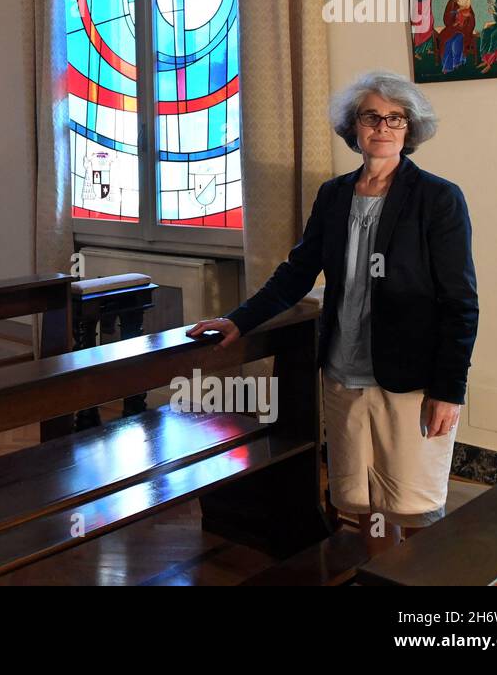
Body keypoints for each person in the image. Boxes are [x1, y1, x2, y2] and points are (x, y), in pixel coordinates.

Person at [185, 71, 478, 556]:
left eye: (394, 118)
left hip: (409, 378)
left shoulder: (438, 198)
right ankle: (374, 570)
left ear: (410, 128)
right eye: (370, 117)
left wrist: (450, 390)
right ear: (354, 127)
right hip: (344, 371)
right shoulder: (335, 195)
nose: (382, 127)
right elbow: (297, 272)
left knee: (407, 499)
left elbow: (460, 302)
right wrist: (238, 320)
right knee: (359, 497)